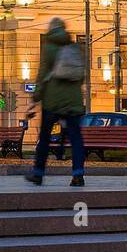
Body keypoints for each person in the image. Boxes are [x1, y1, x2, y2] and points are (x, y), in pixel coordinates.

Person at [25, 17, 87, 187]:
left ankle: (38, 174)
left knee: (44, 138)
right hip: (74, 101)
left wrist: (36, 98)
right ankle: (78, 175)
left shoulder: (49, 47)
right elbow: (81, 76)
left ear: (50, 30)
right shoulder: (74, 47)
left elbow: (42, 74)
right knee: (76, 139)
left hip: (52, 101)